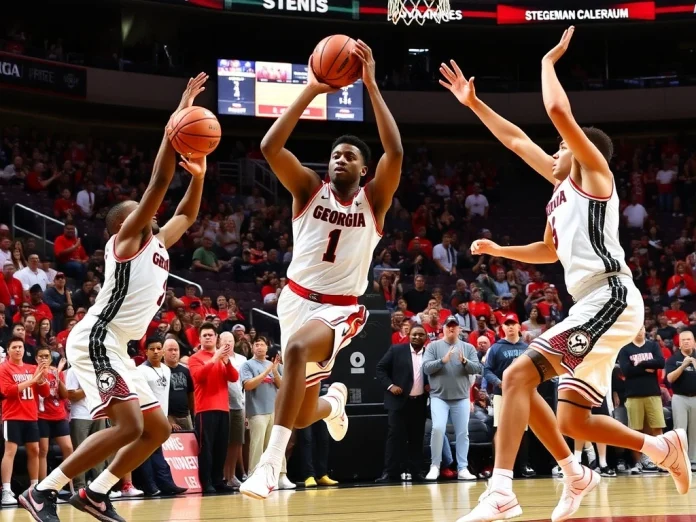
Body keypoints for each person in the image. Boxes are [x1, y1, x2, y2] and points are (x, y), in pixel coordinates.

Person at [440, 27, 690, 522]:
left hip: (612, 297)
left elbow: (558, 113)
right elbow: (517, 148)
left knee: (516, 375)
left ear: (579, 149)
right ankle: (659, 450)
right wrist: (473, 104)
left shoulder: (596, 174)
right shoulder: (558, 197)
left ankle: (502, 489)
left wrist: (548, 62)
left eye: (559, 148)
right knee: (571, 417)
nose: (552, 152)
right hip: (591, 304)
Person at [20, 72, 210, 522]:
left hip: (118, 346)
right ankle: (43, 490)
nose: (149, 209)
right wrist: (175, 124)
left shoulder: (159, 242)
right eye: (139, 210)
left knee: (157, 428)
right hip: (95, 338)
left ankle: (96, 494)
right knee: (129, 425)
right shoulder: (125, 244)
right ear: (123, 224)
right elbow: (159, 183)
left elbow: (187, 210)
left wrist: (198, 175)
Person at [241, 40, 402, 499]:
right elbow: (270, 146)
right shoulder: (309, 189)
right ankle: (335, 402)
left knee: (292, 352)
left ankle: (271, 466)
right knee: (305, 404)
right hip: (295, 300)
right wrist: (310, 90)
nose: (340, 158)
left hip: (340, 309)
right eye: (335, 154)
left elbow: (396, 152)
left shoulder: (374, 200)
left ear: (364, 168)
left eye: (350, 156)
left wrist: (371, 85)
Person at [422, 317, 482, 481]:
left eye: (454, 327)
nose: (451, 329)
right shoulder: (433, 346)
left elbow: (478, 368)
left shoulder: (468, 348)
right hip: (439, 396)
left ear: (459, 330)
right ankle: (435, 465)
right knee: (438, 429)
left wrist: (464, 361)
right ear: (443, 328)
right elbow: (426, 368)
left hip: (461, 397)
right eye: (449, 326)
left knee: (463, 433)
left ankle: (462, 468)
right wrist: (442, 361)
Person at [375, 324, 429, 483]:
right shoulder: (397, 350)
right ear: (408, 335)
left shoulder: (430, 354)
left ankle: (416, 472)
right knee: (395, 437)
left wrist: (431, 384)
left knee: (417, 438)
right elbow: (380, 369)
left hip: (419, 402)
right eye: (414, 334)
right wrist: (391, 386)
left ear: (426, 338)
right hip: (398, 402)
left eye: (420, 335)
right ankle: (390, 473)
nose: (417, 337)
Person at [0, 337, 50, 506]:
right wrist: (32, 380)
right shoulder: (4, 368)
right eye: (14, 347)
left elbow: (45, 393)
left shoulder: (32, 368)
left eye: (20, 347)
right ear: (8, 350)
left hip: (31, 415)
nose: (18, 350)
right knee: (10, 452)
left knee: (35, 450)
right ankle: (6, 490)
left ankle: (34, 488)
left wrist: (42, 380)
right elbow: (8, 391)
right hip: (12, 415)